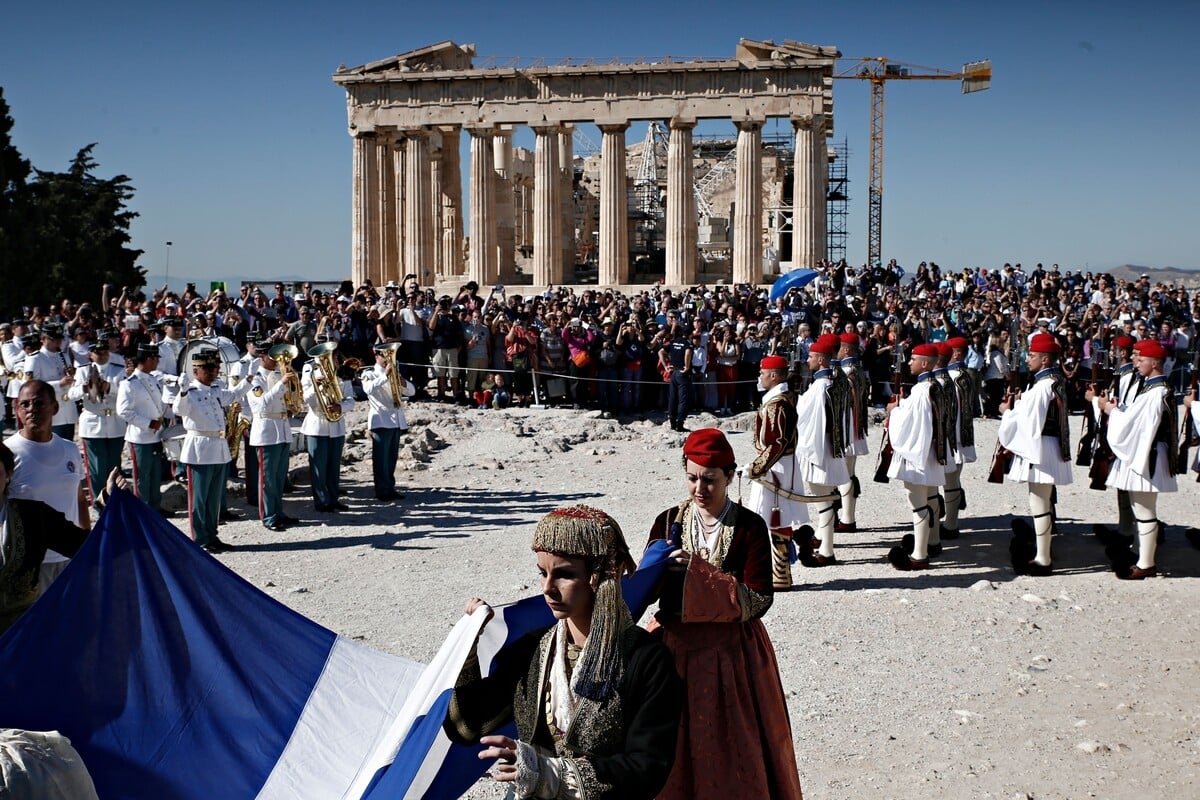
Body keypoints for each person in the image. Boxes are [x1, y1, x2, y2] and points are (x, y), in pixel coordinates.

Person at [444, 505, 683, 799]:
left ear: (599, 576)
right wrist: (468, 648)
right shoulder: (532, 651)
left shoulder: (646, 660)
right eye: (542, 573)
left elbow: (647, 768)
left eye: (564, 574)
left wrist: (548, 773)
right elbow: (467, 727)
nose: (547, 588)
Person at [645, 428, 803, 800]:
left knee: (732, 741)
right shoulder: (668, 521)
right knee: (671, 739)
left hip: (732, 653)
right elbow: (648, 588)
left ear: (730, 477)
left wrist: (699, 574)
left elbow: (760, 597)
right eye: (692, 478)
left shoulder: (749, 527)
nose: (700, 488)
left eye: (710, 479)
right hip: (674, 649)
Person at [1100, 339, 1178, 579]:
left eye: (1142, 359)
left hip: (1148, 456)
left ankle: (1146, 563)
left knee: (1144, 510)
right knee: (1140, 507)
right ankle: (1141, 554)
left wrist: (1110, 410)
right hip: (1147, 453)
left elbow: (1134, 425)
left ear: (1155, 363)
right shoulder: (1152, 389)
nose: (1138, 362)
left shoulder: (1155, 393)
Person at [4, 381, 90, 593]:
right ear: (17, 409)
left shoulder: (70, 450)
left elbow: (79, 499)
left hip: (70, 557)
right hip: (29, 565)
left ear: (55, 408)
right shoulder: (7, 454)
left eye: (39, 403)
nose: (32, 410)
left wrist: (87, 542)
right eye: (25, 404)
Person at [999, 332, 1072, 576]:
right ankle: (1044, 552)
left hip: (1041, 448)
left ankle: (1043, 558)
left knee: (1039, 504)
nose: (1027, 359)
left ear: (1045, 360)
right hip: (1049, 446)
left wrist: (1008, 412)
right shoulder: (1054, 381)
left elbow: (1030, 422)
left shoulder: (1043, 386)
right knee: (1042, 502)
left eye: (1031, 355)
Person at [742, 354, 807, 589]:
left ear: (773, 375)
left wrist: (757, 468)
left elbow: (776, 442)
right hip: (779, 463)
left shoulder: (777, 404)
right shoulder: (780, 398)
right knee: (773, 515)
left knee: (774, 515)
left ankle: (780, 573)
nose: (760, 376)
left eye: (762, 373)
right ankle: (777, 572)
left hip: (775, 465)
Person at [173, 350, 249, 553]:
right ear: (195, 371)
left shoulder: (215, 390)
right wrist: (182, 392)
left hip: (217, 447)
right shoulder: (190, 392)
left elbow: (233, 395)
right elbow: (179, 411)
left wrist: (249, 379)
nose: (213, 372)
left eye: (215, 368)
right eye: (207, 368)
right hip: (199, 448)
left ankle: (212, 535)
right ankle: (199, 538)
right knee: (199, 497)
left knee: (214, 498)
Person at [885, 343, 948, 571]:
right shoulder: (935, 386)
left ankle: (919, 554)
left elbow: (912, 424)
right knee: (927, 500)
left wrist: (895, 411)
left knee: (918, 504)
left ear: (924, 363)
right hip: (931, 452)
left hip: (919, 453)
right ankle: (929, 542)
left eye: (913, 359)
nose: (909, 362)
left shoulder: (922, 391)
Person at [795, 334, 850, 567]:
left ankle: (827, 551)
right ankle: (825, 545)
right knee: (825, 500)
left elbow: (808, 422)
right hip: (833, 448)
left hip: (820, 450)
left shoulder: (819, 389)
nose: (807, 360)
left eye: (810, 356)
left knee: (823, 502)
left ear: (820, 360)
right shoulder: (837, 383)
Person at [67, 341, 127, 508]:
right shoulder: (83, 370)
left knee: (114, 465)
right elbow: (71, 394)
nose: (102, 354)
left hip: (115, 422)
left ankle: (115, 500)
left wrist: (109, 387)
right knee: (98, 468)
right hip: (93, 422)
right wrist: (85, 388)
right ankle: (100, 502)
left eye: (104, 351)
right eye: (97, 352)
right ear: (90, 354)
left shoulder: (117, 368)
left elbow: (126, 389)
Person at [247, 344, 300, 532]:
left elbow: (284, 399)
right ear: (262, 357)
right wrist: (281, 385)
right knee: (267, 478)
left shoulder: (279, 374)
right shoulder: (255, 379)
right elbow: (261, 404)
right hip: (266, 432)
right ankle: (268, 516)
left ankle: (278, 512)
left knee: (279, 477)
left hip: (282, 429)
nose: (278, 360)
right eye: (272, 356)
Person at [300, 341, 356, 512]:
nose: (331, 360)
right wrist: (316, 385)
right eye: (327, 357)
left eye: (333, 357)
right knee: (318, 466)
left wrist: (341, 407)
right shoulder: (310, 371)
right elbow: (305, 399)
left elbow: (350, 399)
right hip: (317, 424)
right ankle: (321, 501)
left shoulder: (342, 373)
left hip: (336, 425)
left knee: (333, 466)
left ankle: (333, 499)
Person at [115, 344, 170, 515]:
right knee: (142, 476)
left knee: (155, 474)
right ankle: (143, 510)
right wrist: (147, 423)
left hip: (156, 435)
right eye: (155, 359)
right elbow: (123, 411)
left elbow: (159, 404)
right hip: (140, 437)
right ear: (148, 359)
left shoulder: (152, 379)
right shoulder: (129, 383)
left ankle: (155, 506)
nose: (157, 362)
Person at [361, 344, 414, 501]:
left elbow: (411, 391)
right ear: (376, 355)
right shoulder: (369, 373)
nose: (388, 358)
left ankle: (389, 487)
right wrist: (385, 375)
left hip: (395, 420)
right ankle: (381, 490)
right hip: (380, 420)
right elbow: (368, 389)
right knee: (381, 459)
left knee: (391, 458)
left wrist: (403, 383)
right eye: (384, 355)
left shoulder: (395, 371)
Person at [942, 336, 977, 539]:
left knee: (950, 480)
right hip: (961, 435)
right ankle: (951, 520)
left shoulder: (953, 378)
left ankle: (951, 524)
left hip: (952, 436)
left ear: (956, 353)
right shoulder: (966, 375)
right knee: (953, 479)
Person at [835, 331, 870, 533]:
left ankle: (847, 518)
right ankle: (847, 516)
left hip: (847, 427)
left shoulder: (847, 371)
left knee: (846, 475)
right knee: (849, 473)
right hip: (853, 427)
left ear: (846, 349)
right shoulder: (857, 369)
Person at [22, 323, 79, 441]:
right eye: (54, 339)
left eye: (60, 339)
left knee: (67, 444)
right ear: (43, 339)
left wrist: (72, 375)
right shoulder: (35, 358)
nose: (58, 342)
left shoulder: (63, 355)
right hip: (49, 409)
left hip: (68, 409)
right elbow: (29, 386)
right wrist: (59, 384)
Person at [659, 316, 693, 432]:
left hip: (673, 373)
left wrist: (665, 365)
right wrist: (687, 367)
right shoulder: (687, 343)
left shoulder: (673, 342)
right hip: (682, 373)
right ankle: (680, 423)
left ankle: (672, 422)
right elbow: (688, 352)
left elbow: (661, 351)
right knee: (683, 399)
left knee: (673, 398)